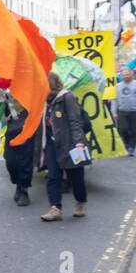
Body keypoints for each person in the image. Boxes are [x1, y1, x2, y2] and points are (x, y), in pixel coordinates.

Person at [40, 71, 90, 221]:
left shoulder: (67, 97)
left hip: (70, 143)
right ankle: (55, 208)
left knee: (76, 177)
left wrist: (79, 141)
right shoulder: (45, 101)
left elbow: (75, 121)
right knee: (53, 176)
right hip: (51, 143)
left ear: (51, 84)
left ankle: (80, 202)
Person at [114, 68, 136, 156]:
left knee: (134, 130)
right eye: (124, 75)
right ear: (121, 76)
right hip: (122, 110)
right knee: (123, 129)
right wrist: (114, 112)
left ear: (132, 75)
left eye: (127, 74)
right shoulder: (118, 86)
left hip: (135, 111)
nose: (126, 76)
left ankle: (131, 147)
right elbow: (114, 99)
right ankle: (126, 143)